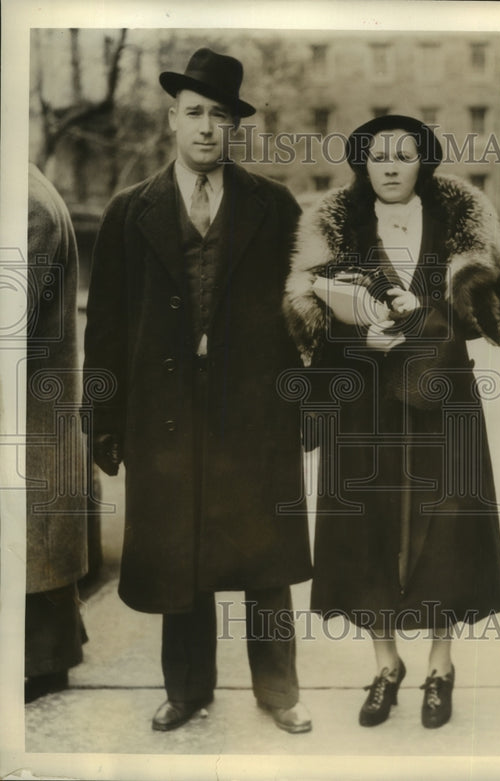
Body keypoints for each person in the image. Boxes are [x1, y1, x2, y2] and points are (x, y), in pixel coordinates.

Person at [83, 47, 312, 734]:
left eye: (219, 115)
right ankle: (186, 690)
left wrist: (306, 406)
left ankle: (280, 692)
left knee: (265, 558)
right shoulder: (130, 211)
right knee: (179, 554)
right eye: (193, 113)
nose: (206, 127)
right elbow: (106, 327)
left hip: (256, 413)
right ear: (172, 121)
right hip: (165, 418)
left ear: (233, 125)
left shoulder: (275, 207)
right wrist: (105, 418)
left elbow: (305, 316)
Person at [284, 115, 500, 729]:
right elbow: (309, 319)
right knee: (368, 528)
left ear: (422, 162)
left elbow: (487, 314)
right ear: (363, 163)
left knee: (447, 530)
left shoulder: (460, 224)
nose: (389, 166)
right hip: (365, 401)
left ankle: (440, 665)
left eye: (402, 155)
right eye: (377, 155)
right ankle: (386, 665)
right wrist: (357, 333)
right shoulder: (338, 228)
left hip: (444, 397)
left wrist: (428, 311)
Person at [26, 163, 88, 702]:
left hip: (31, 419)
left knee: (37, 547)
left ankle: (43, 664)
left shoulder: (29, 205)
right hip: (29, 419)